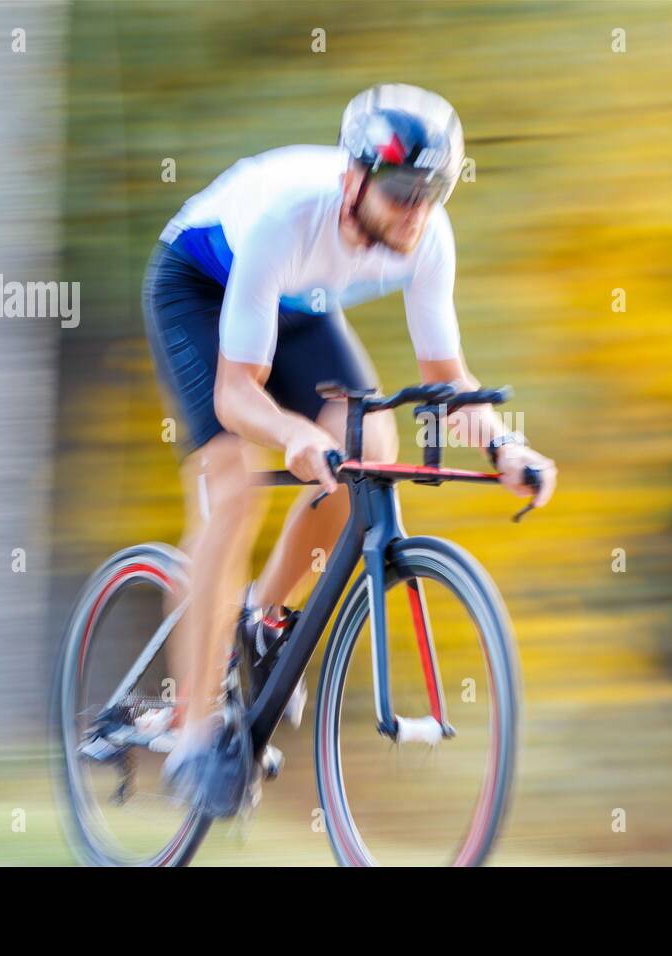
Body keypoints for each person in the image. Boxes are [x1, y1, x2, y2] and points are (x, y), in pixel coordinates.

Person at [141, 83, 558, 813]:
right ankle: (194, 731)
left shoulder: (428, 236)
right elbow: (235, 396)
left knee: (367, 442)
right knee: (233, 491)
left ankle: (262, 618)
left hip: (300, 304)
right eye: (401, 189)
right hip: (202, 285)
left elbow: (446, 381)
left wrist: (505, 449)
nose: (416, 209)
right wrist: (292, 432)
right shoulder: (289, 217)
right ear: (354, 179)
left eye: (434, 190)